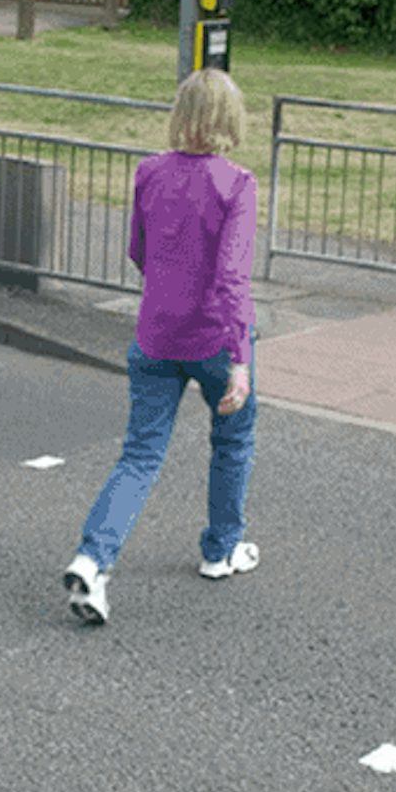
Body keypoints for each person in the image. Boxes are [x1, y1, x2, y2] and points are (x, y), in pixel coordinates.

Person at [64, 68, 259, 626]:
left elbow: (138, 251)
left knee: (140, 454)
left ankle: (93, 559)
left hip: (154, 333)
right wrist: (240, 358)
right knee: (233, 439)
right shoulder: (237, 184)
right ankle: (221, 549)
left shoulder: (149, 172)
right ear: (231, 121)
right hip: (214, 337)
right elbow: (232, 278)